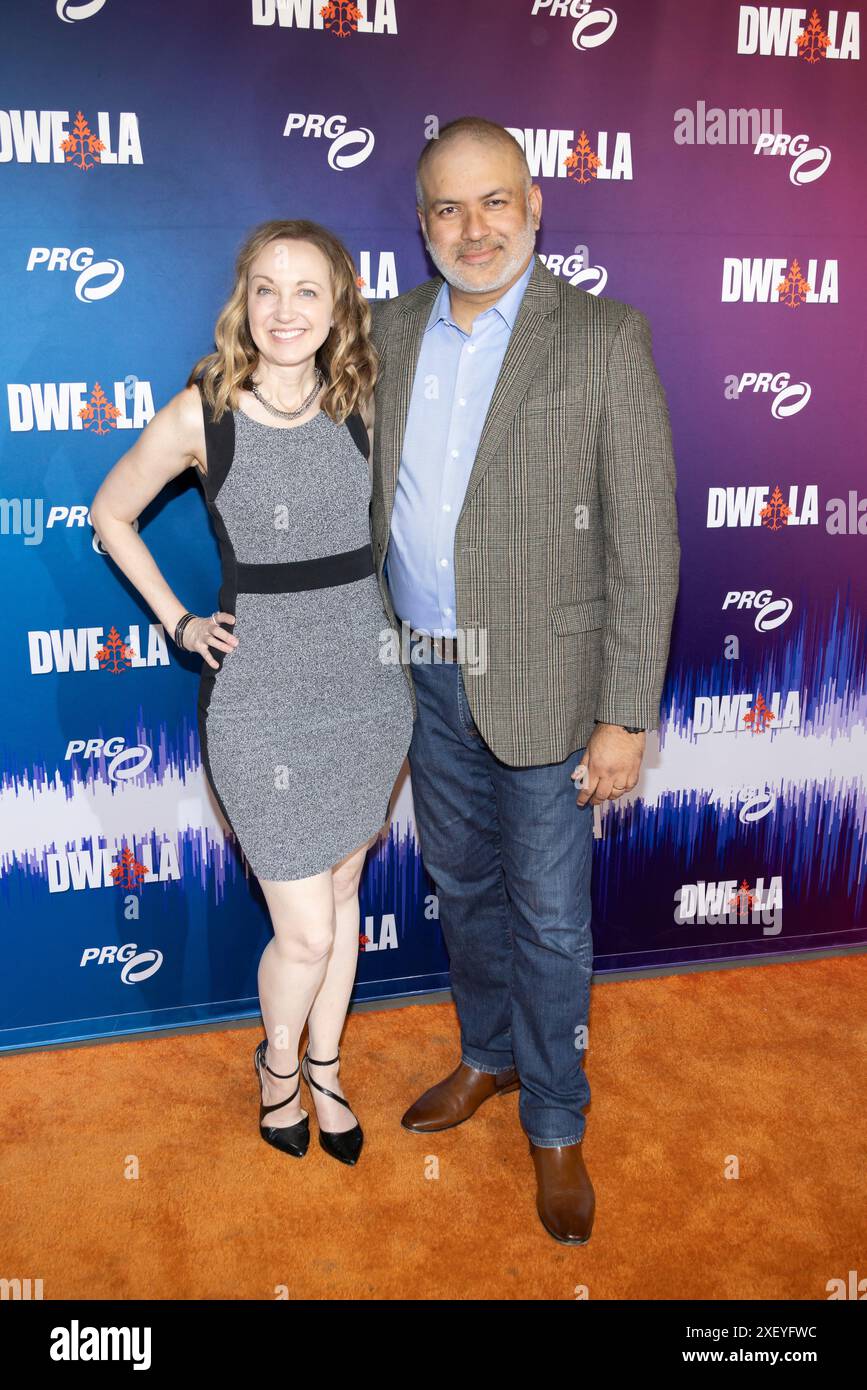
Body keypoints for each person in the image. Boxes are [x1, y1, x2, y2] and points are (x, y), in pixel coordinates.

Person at [368, 118, 681, 1243]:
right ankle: (490, 1058)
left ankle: (556, 1118)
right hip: (428, 671)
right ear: (420, 224)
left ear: (535, 203)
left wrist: (623, 714)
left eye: (494, 201)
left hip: (551, 683)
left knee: (553, 919)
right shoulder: (388, 331)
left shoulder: (602, 335)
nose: (474, 227)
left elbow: (646, 542)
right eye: (448, 208)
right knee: (464, 888)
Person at [90, 219, 414, 1168]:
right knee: (305, 930)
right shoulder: (204, 411)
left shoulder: (365, 395)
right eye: (266, 288)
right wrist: (177, 622)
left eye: (307, 289)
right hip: (260, 695)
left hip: (366, 680)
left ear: (338, 303)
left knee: (347, 892)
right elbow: (110, 513)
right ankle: (277, 1065)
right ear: (243, 300)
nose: (285, 309)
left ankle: (326, 1065)